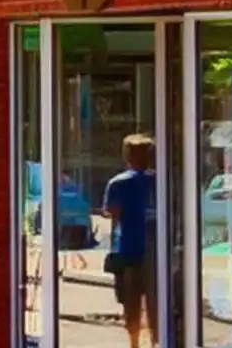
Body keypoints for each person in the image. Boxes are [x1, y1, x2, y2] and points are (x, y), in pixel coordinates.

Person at [103, 133, 158, 348]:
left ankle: (134, 343)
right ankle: (156, 341)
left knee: (131, 304)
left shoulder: (118, 184)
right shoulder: (160, 181)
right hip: (155, 250)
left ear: (126, 155)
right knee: (156, 302)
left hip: (128, 251)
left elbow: (113, 215)